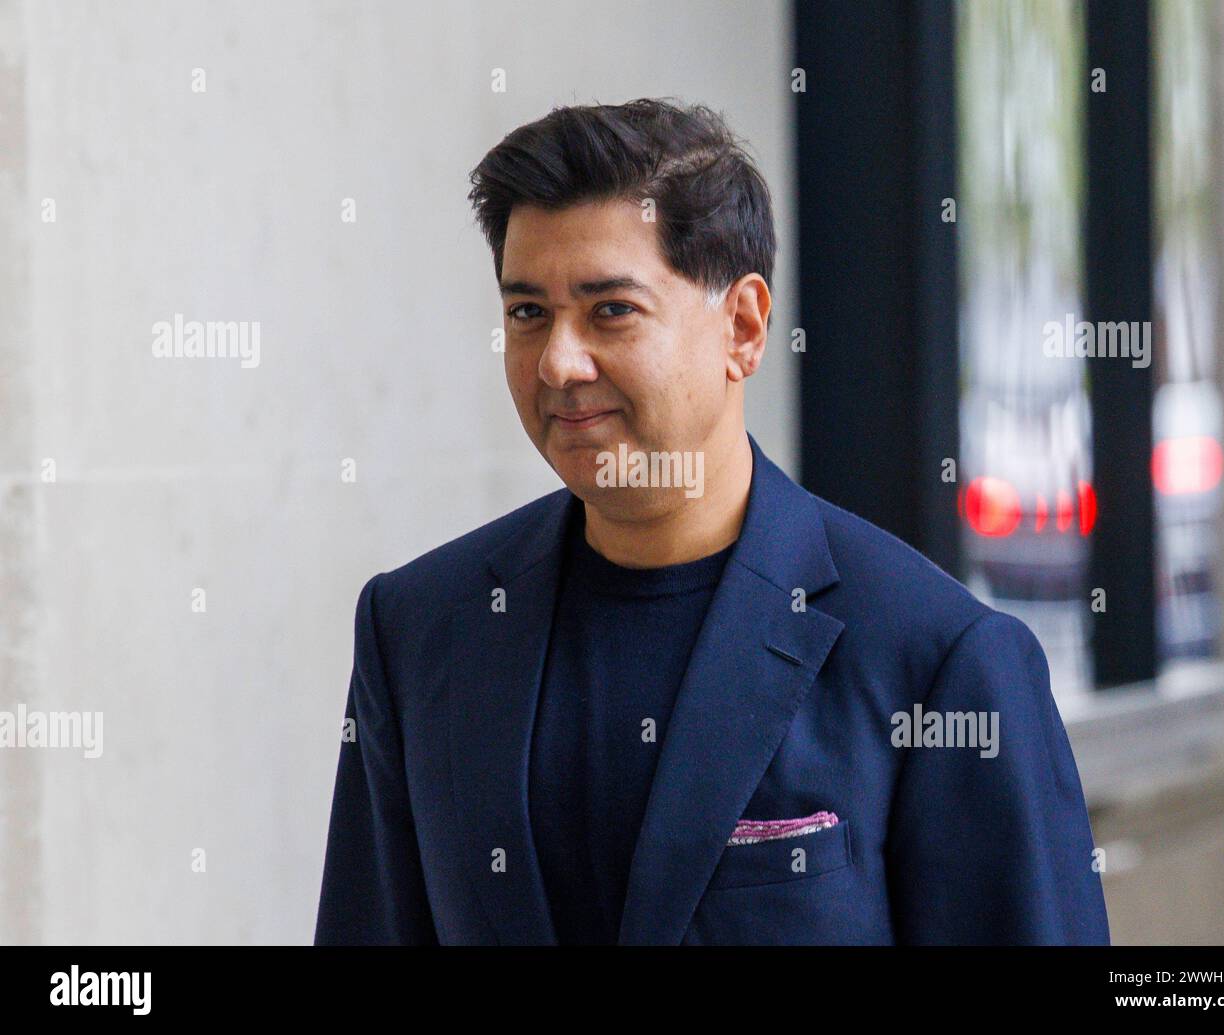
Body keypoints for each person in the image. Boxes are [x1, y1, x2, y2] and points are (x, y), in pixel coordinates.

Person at [313, 97, 1110, 945]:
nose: (558, 360)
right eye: (527, 313)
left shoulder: (937, 660)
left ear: (744, 325)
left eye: (610, 310)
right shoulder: (421, 632)